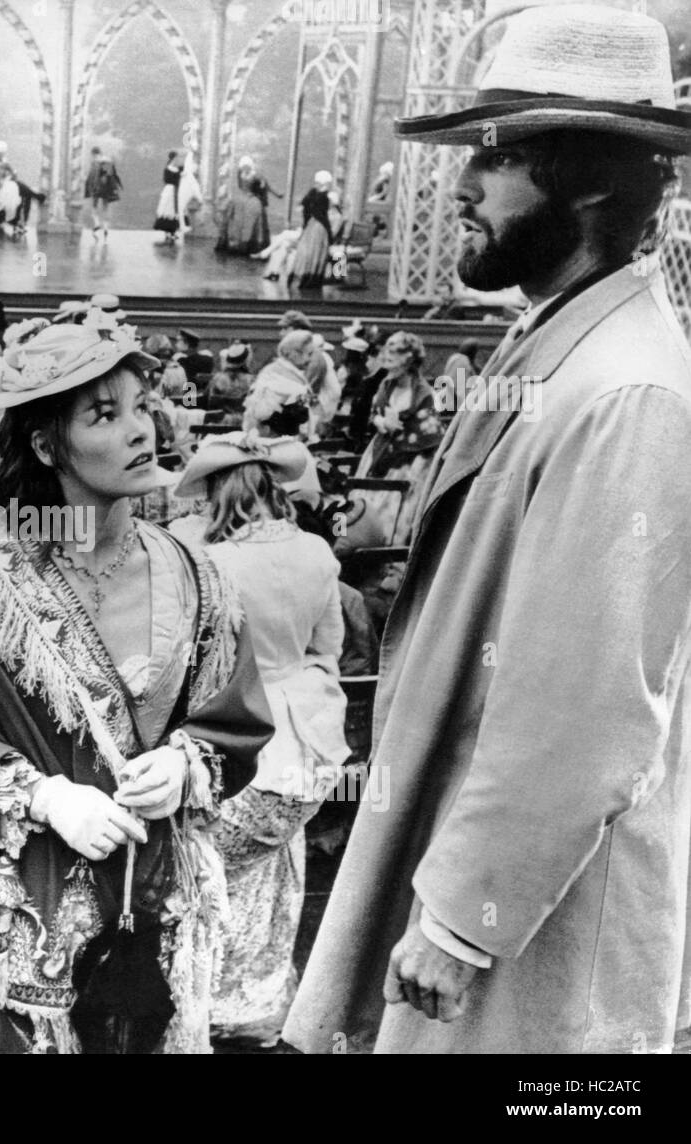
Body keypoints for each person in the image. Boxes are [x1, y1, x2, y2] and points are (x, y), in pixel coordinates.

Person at [286, 3, 691, 1054]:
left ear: (592, 178)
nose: (461, 184)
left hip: (531, 925)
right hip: (474, 868)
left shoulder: (629, 391)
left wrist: (471, 913)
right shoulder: (556, 342)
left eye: (497, 157)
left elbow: (592, 696)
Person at [0, 319, 272, 1054]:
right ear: (45, 444)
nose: (139, 429)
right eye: (104, 414)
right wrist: (45, 797)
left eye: (140, 405)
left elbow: (237, 724)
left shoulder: (198, 578)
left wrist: (187, 761)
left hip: (154, 898)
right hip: (25, 907)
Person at [169, 432, 348, 1044]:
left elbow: (186, 663)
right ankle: (254, 1011)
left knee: (201, 872)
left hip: (238, 739)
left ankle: (204, 1008)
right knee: (268, 877)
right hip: (306, 747)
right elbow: (329, 651)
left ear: (220, 493)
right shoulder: (317, 553)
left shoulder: (204, 560)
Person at [353, 330, 443, 544]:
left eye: (393, 356)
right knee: (363, 504)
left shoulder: (423, 393)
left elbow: (429, 436)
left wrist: (404, 434)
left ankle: (388, 556)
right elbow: (374, 413)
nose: (387, 361)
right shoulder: (386, 385)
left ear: (408, 360)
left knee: (394, 515)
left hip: (411, 461)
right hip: (381, 451)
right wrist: (381, 422)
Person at [243, 331, 314, 439]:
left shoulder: (270, 369)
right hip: (278, 442)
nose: (310, 360)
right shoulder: (285, 376)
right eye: (308, 354)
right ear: (293, 353)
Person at [288, 170, 335, 291]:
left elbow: (305, 210)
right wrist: (330, 235)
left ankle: (302, 277)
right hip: (319, 228)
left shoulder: (311, 194)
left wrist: (304, 226)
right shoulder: (324, 197)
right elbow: (323, 216)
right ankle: (314, 278)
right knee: (317, 253)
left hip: (311, 226)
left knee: (308, 252)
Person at [83, 145, 122, 241]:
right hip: (107, 188)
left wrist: (89, 188)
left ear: (93, 154)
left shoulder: (95, 162)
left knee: (94, 207)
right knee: (105, 208)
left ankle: (96, 224)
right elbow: (114, 175)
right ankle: (106, 228)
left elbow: (91, 177)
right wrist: (118, 186)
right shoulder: (109, 162)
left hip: (97, 188)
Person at [153, 150, 184, 243]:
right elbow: (167, 180)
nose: (178, 160)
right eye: (176, 158)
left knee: (175, 211)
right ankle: (167, 232)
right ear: (173, 158)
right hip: (170, 190)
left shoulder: (180, 169)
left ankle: (173, 232)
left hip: (177, 190)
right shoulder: (167, 169)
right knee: (167, 210)